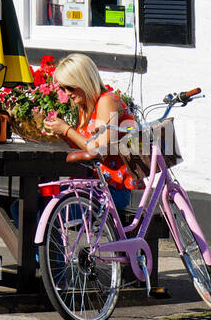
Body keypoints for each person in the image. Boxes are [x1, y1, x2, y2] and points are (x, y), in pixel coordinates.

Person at [42, 53, 143, 211]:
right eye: (63, 88)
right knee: (27, 205)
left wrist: (67, 130)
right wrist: (62, 134)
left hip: (111, 189)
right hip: (89, 186)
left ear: (83, 80)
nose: (67, 93)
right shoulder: (86, 106)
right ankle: (50, 236)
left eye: (70, 86)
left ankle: (50, 236)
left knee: (40, 210)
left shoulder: (107, 101)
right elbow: (84, 149)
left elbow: (97, 150)